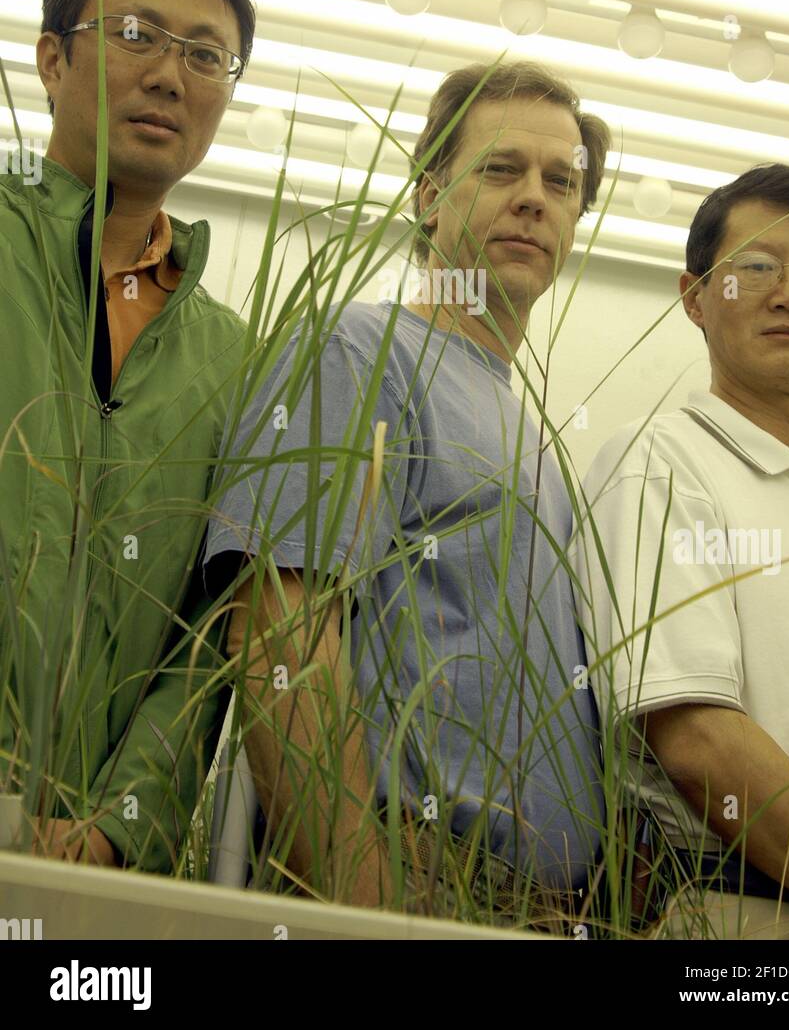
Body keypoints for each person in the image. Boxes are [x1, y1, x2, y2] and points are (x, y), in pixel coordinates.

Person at [203, 61, 610, 928]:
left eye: (561, 181)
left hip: (543, 910)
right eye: (501, 170)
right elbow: (281, 631)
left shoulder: (530, 430)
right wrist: (365, 905)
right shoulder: (359, 352)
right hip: (416, 890)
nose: (535, 198)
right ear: (428, 196)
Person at [0, 0, 254, 871]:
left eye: (207, 56)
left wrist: (119, 827)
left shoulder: (234, 358)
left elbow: (210, 632)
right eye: (136, 34)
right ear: (53, 60)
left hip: (89, 869)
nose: (170, 74)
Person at [572, 163, 789, 939]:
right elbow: (699, 743)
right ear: (696, 297)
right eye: (758, 267)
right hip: (740, 918)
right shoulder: (659, 462)